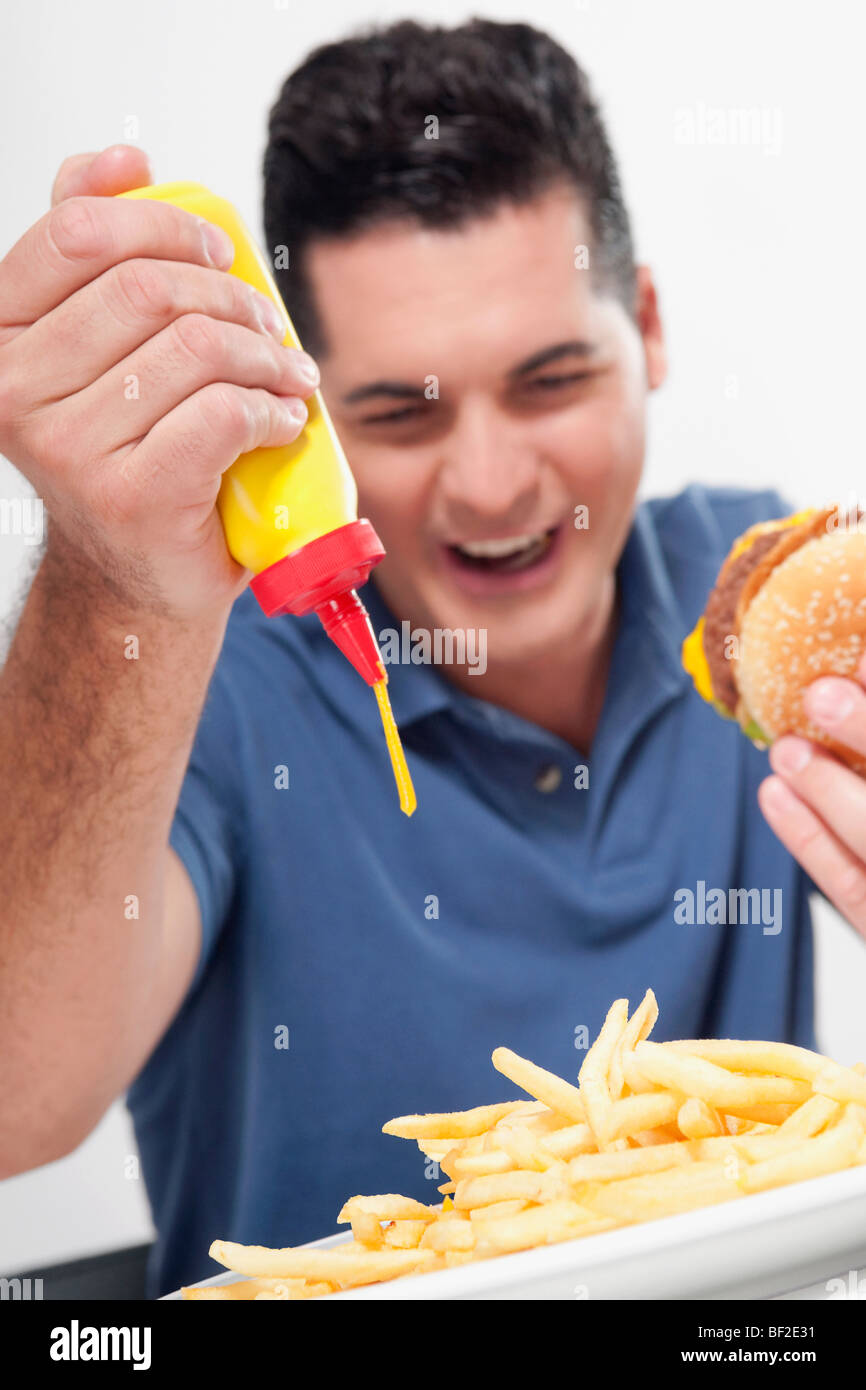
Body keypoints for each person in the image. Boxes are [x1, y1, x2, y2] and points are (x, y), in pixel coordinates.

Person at [1, 19, 865, 1297]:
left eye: (550, 379)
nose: (492, 483)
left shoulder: (766, 615)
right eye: (400, 410)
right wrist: (113, 571)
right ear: (298, 415)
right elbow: (19, 1097)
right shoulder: (206, 680)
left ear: (646, 327)